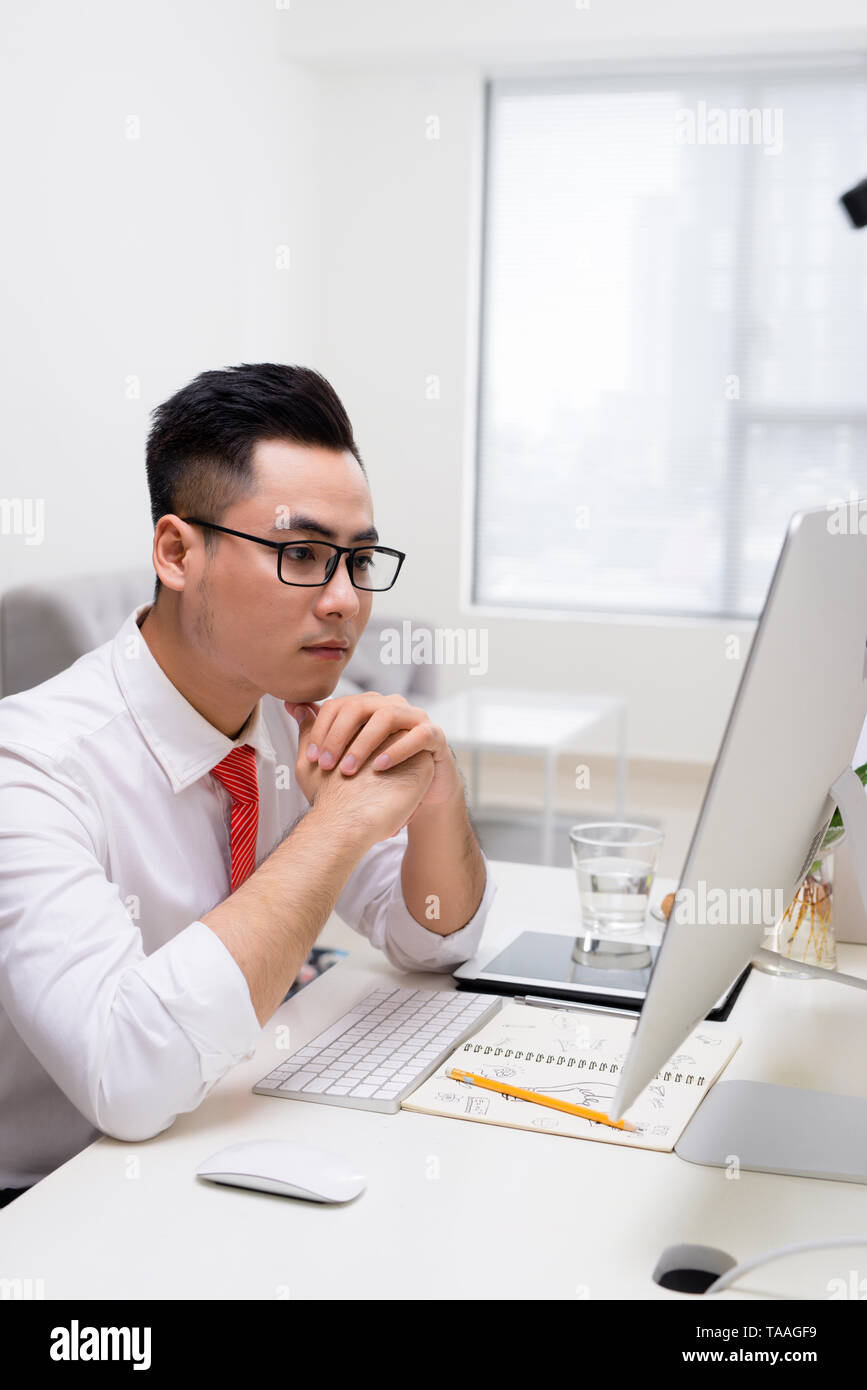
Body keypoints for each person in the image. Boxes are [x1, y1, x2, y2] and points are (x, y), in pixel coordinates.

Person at [0, 363, 495, 1205]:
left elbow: (437, 941)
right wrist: (336, 827)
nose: (344, 600)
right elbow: (127, 1078)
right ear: (176, 552)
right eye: (302, 555)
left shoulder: (286, 721)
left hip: (220, 1133)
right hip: (55, 1198)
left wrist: (436, 800)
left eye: (361, 561)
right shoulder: (33, 767)